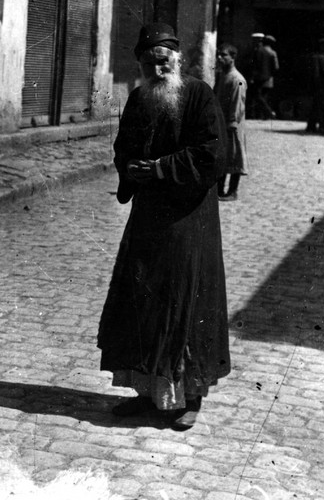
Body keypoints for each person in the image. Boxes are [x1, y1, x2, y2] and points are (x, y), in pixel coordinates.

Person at [98, 22, 229, 431]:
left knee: (187, 302)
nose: (157, 71)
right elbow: (124, 146)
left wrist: (159, 168)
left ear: (176, 59)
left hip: (189, 217)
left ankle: (191, 398)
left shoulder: (198, 96)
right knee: (143, 296)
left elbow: (210, 154)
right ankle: (146, 392)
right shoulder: (139, 98)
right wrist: (130, 167)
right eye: (148, 64)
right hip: (149, 217)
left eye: (162, 62)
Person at [215, 43, 249, 201]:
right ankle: (219, 189)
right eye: (218, 55)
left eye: (223, 55)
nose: (219, 58)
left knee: (235, 156)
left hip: (232, 124)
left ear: (233, 58)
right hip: (222, 122)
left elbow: (237, 104)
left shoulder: (237, 80)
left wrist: (232, 122)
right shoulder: (223, 76)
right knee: (223, 155)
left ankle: (233, 191)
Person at [305, 37, 324, 135]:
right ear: (323, 46)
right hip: (320, 86)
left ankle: (312, 126)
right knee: (320, 107)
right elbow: (316, 73)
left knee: (317, 107)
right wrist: (318, 86)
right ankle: (320, 127)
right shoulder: (317, 57)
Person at [248, 32, 278, 119]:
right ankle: (263, 115)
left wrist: (252, 77)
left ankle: (268, 113)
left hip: (259, 77)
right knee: (263, 96)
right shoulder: (272, 52)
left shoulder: (258, 50)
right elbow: (276, 67)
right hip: (269, 77)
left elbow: (255, 65)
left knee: (257, 95)